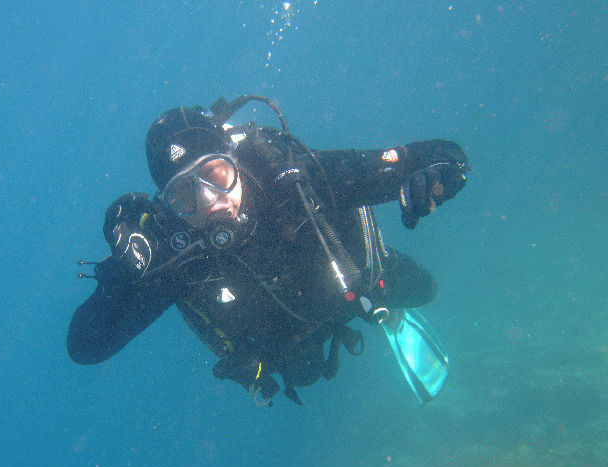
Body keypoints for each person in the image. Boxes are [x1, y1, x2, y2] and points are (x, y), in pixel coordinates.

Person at [67, 95, 470, 406]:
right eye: (184, 196)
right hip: (288, 340)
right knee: (306, 373)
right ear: (167, 204)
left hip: (360, 287)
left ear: (235, 162)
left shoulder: (293, 177)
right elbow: (85, 347)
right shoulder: (175, 254)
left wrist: (438, 175)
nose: (210, 203)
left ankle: (394, 319)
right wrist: (123, 278)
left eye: (214, 175)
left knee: (426, 289)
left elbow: (434, 154)